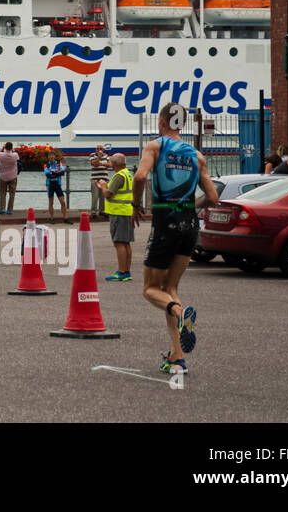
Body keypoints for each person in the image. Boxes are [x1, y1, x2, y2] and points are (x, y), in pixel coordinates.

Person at [133, 102, 219, 376]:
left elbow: (139, 176)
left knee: (150, 289)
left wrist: (136, 205)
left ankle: (181, 314)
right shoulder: (197, 155)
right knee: (170, 289)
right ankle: (177, 357)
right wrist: (190, 207)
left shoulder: (155, 146)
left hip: (165, 223)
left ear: (161, 122)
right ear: (182, 124)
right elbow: (214, 198)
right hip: (190, 225)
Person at [103, 153, 135, 282]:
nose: (110, 165)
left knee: (119, 242)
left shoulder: (118, 176)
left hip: (119, 212)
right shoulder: (128, 174)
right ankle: (126, 271)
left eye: (111, 163)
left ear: (114, 164)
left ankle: (122, 272)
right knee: (125, 242)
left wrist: (102, 186)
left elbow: (108, 194)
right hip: (127, 211)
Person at [44, 153, 69, 224]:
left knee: (63, 202)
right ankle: (52, 219)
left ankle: (65, 218)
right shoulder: (46, 165)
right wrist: (57, 173)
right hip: (50, 185)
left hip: (58, 184)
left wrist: (53, 173)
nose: (51, 157)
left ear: (54, 156)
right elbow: (47, 175)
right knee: (51, 203)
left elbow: (62, 172)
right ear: (48, 157)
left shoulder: (59, 163)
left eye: (52, 156)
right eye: (50, 156)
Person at [0, 142, 19, 215]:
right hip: (13, 176)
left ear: (5, 148)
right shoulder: (15, 155)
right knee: (12, 194)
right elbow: (17, 157)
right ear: (12, 148)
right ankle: (10, 210)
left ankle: (2, 208)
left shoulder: (1, 155)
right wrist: (12, 150)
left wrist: (2, 148)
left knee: (2, 193)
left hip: (3, 176)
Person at [89, 144, 110, 218]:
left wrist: (101, 163)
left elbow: (110, 164)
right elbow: (94, 164)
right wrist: (99, 157)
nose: (99, 150)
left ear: (103, 149)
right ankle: (93, 212)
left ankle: (102, 211)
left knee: (103, 196)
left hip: (104, 179)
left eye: (100, 149)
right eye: (97, 149)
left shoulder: (106, 155)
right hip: (95, 179)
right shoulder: (92, 155)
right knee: (95, 196)